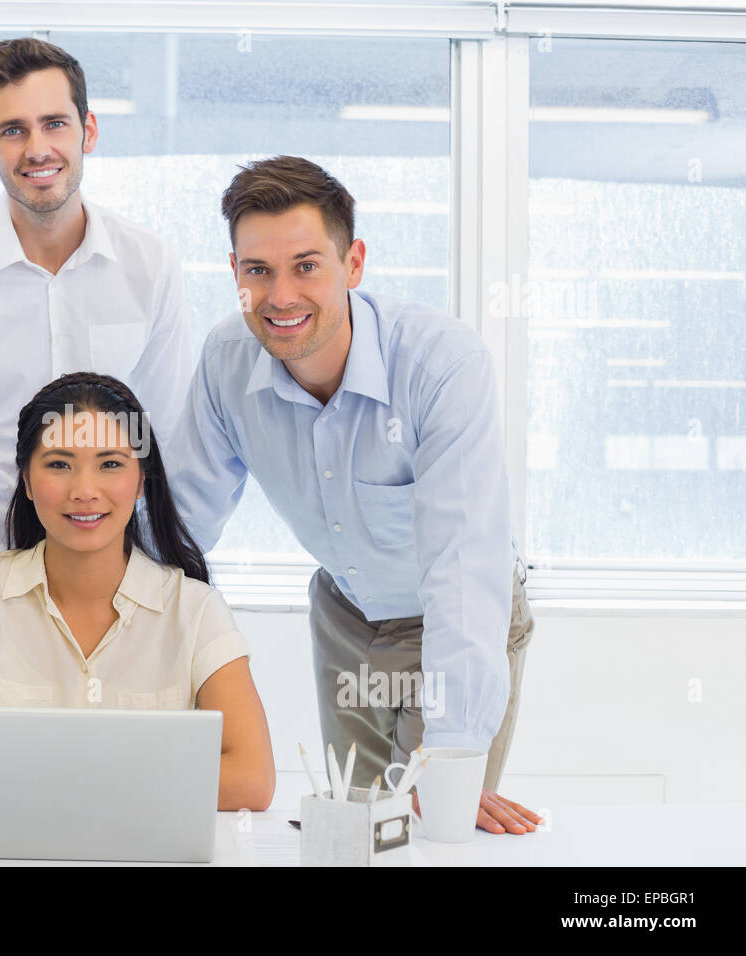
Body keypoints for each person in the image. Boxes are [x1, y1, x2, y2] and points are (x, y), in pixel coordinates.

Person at [167, 156, 541, 834]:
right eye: (259, 271)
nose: (281, 296)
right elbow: (180, 527)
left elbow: (463, 566)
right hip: (346, 617)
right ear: (235, 274)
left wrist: (452, 753)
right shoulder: (226, 361)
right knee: (356, 831)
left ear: (354, 263)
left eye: (307, 265)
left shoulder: (440, 364)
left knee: (435, 827)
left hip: (451, 619)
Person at [0, 37, 192, 616]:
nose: (38, 148)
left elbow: (162, 437)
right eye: (13, 130)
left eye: (55, 123)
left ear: (89, 130)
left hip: (112, 594)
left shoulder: (150, 265)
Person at [0, 373, 276, 812]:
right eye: (59, 464)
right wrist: (135, 783)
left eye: (111, 464)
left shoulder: (196, 611)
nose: (84, 491)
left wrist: (61, 786)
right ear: (26, 480)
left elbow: (252, 780)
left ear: (141, 482)